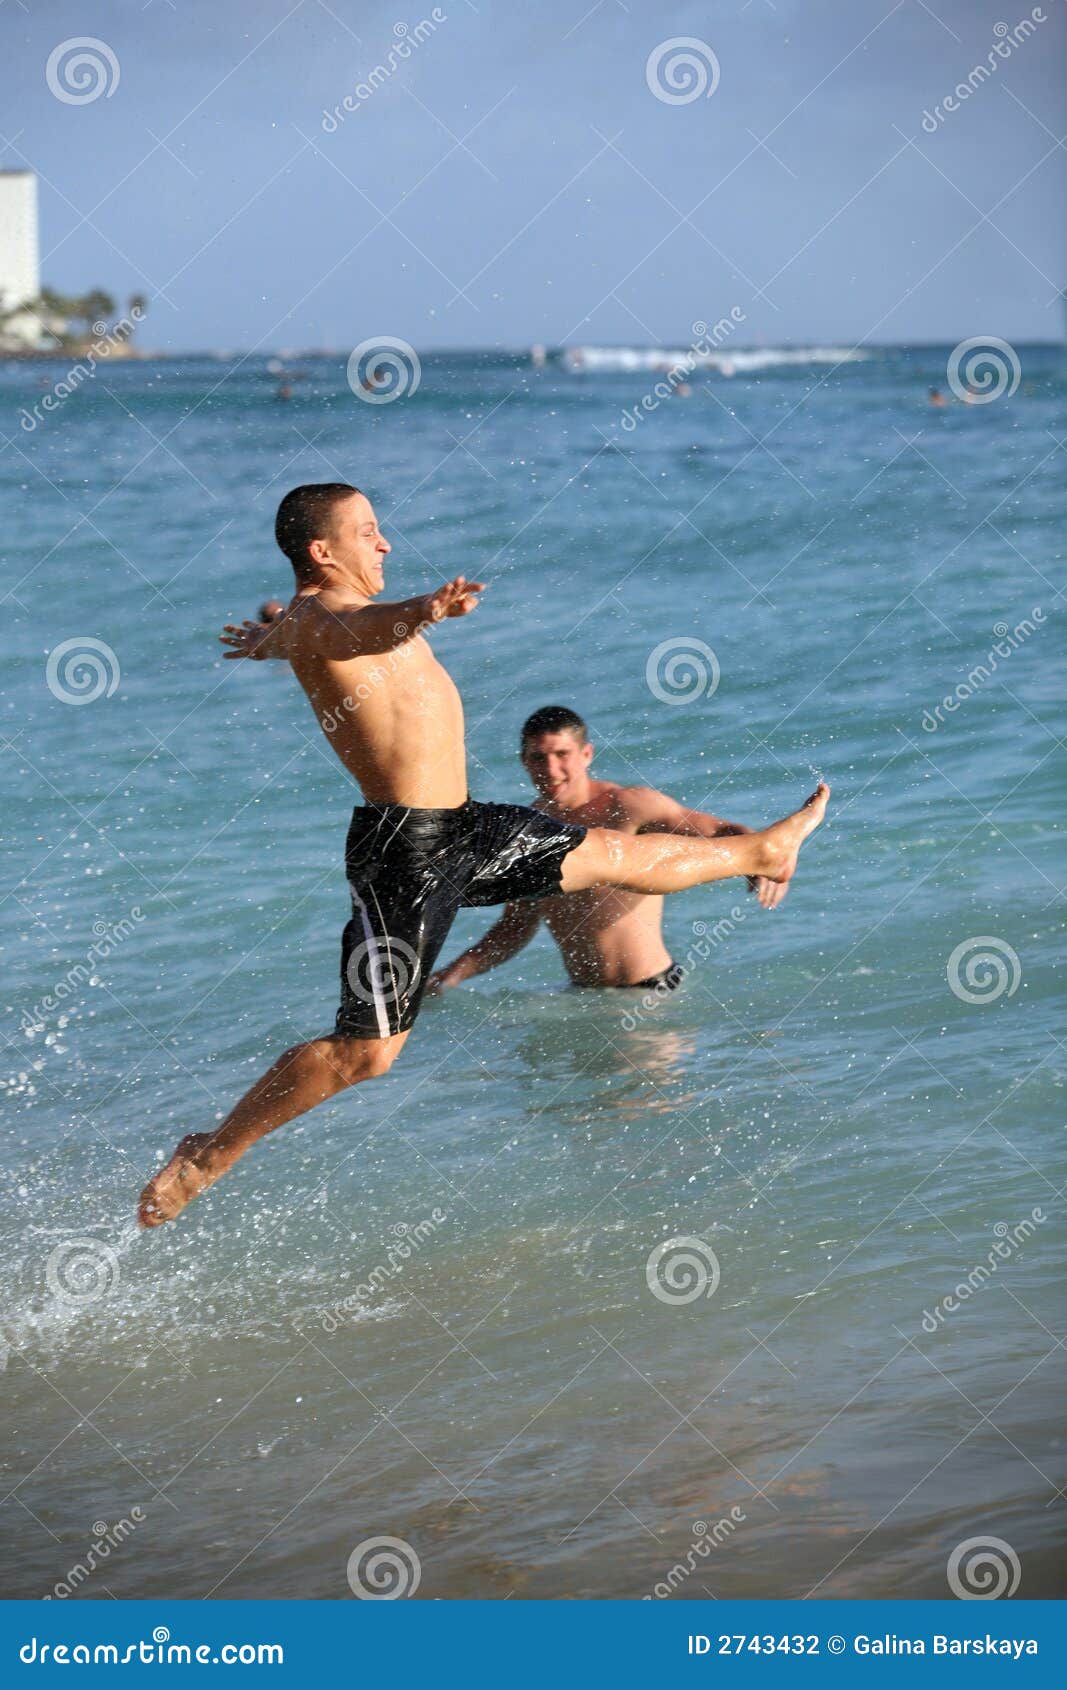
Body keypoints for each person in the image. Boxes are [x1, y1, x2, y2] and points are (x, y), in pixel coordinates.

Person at [137, 483, 829, 1227]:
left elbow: (327, 637)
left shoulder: (309, 625)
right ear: (321, 550)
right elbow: (361, 629)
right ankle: (207, 1155)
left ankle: (761, 848)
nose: (385, 544)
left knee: (607, 855)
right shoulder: (330, 616)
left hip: (459, 827)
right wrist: (421, 611)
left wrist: (268, 641)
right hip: (402, 855)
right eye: (368, 532)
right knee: (365, 1056)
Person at [429, 706, 789, 995]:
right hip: (583, 999)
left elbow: (719, 830)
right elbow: (515, 926)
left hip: (653, 994)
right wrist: (452, 975)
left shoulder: (627, 806)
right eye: (538, 758)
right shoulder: (528, 830)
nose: (551, 768)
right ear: (524, 761)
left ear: (586, 754)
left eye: (562, 754)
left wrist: (765, 859)